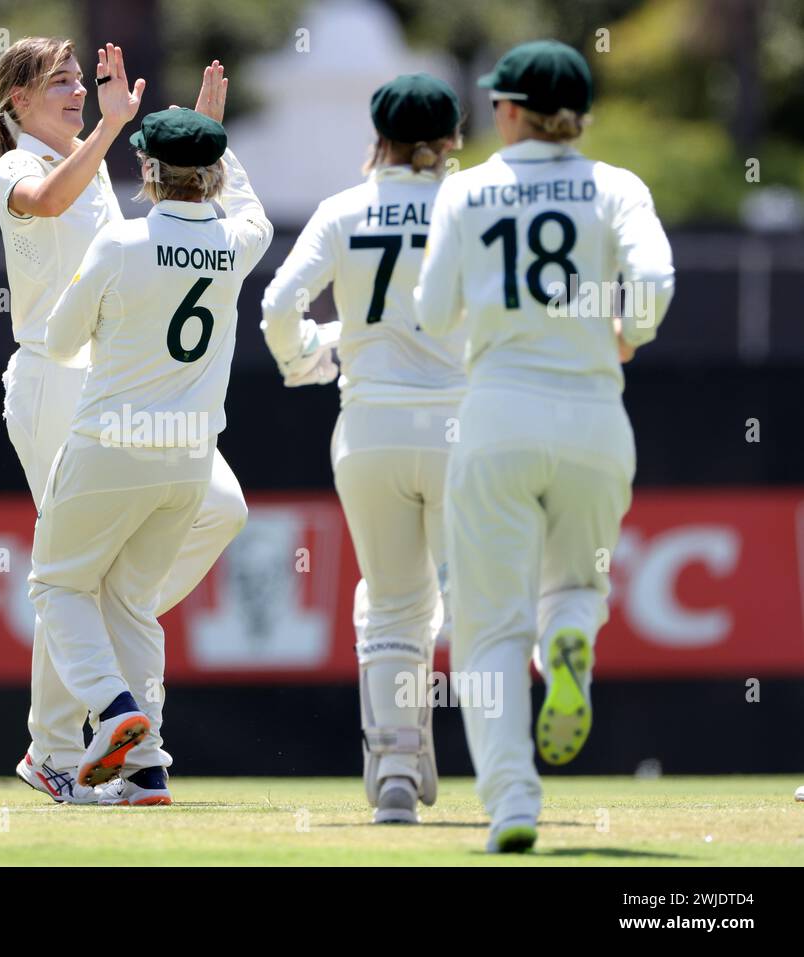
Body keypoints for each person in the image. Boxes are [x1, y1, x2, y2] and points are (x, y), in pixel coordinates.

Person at [0, 39, 248, 805]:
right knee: (75, 577)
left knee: (214, 512)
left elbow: (176, 224)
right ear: (17, 99)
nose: (78, 90)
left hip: (105, 380)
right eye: (59, 81)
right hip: (54, 379)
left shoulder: (85, 161)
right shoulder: (24, 162)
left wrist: (202, 144)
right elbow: (47, 201)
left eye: (79, 79)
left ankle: (100, 697)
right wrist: (114, 128)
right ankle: (54, 748)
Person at [414, 40, 675, 851]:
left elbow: (430, 311)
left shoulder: (471, 189)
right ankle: (572, 646)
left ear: (517, 112)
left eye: (499, 101)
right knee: (576, 585)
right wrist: (628, 329)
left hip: (497, 416)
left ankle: (514, 803)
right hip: (596, 416)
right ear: (580, 117)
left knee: (490, 627)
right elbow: (656, 282)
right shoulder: (618, 186)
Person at [27, 108, 272, 803]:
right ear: (218, 173)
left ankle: (112, 710)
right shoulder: (237, 241)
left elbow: (64, 342)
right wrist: (214, 128)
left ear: (150, 173)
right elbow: (253, 210)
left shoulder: (119, 242)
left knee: (58, 585)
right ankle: (146, 769)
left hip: (112, 442)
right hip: (190, 458)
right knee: (132, 603)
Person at [260, 74, 465, 825]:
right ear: (450, 139)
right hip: (461, 427)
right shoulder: (471, 205)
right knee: (468, 603)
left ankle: (396, 771)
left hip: (370, 428)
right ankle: (500, 773)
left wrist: (308, 358)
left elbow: (280, 305)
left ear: (376, 131)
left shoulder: (343, 210)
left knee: (392, 602)